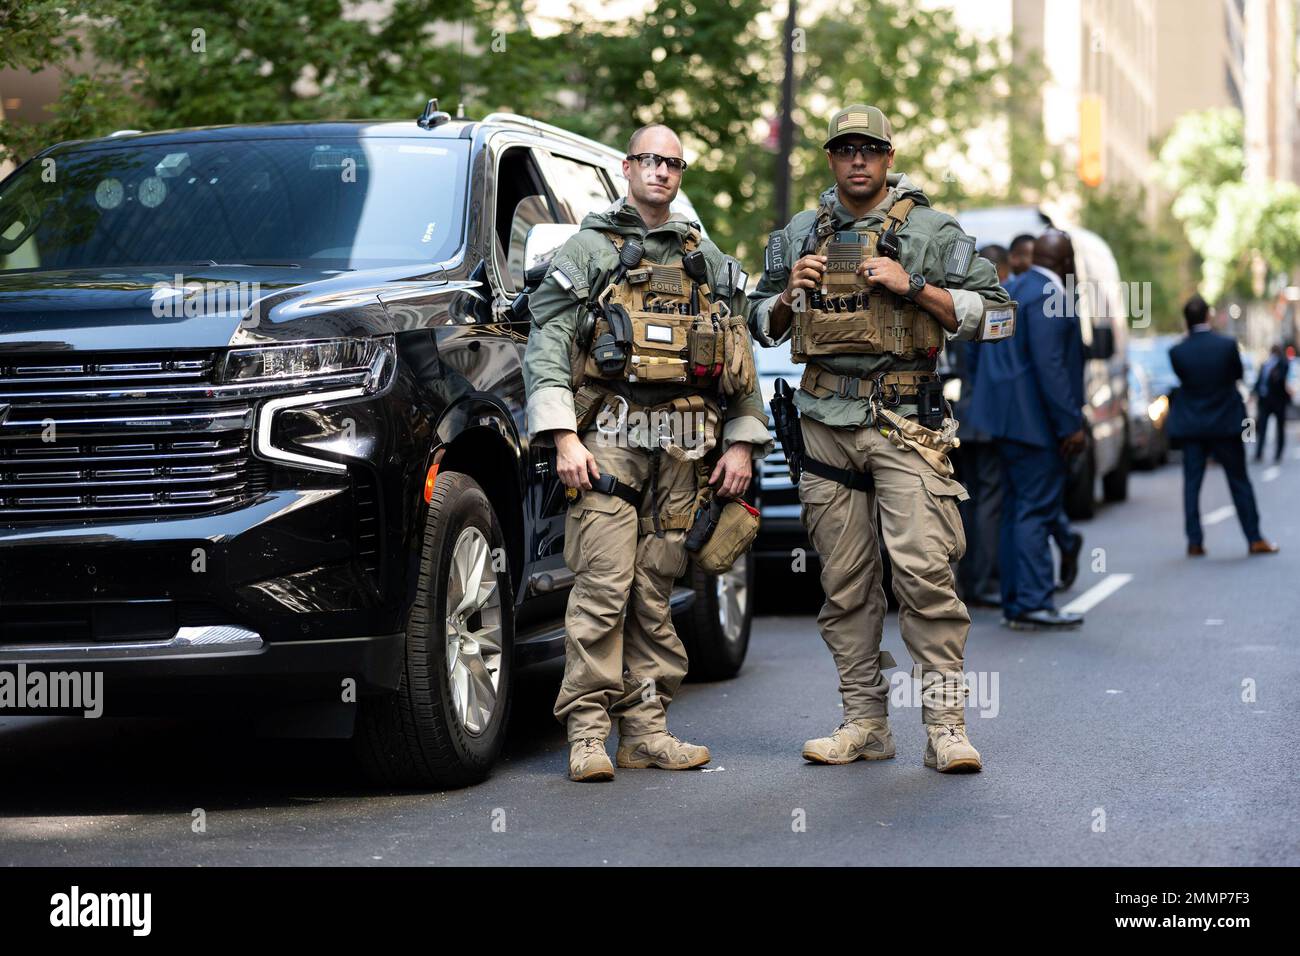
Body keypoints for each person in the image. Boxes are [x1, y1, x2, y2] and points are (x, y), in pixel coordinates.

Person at [750, 104, 1013, 773]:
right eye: (845, 149)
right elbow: (755, 321)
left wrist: (914, 285)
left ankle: (946, 728)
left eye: (870, 148)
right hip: (824, 427)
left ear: (889, 158)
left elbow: (999, 317)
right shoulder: (800, 233)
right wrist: (785, 298)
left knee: (925, 576)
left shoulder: (931, 231)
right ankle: (865, 723)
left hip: (906, 427)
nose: (858, 159)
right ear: (831, 159)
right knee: (845, 586)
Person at [524, 123, 772, 782]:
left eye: (673, 164)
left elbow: (739, 348)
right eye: (650, 160)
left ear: (680, 175)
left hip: (684, 450)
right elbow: (546, 334)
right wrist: (562, 435)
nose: (661, 172)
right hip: (609, 441)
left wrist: (744, 441)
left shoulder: (705, 257)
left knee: (655, 591)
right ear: (628, 169)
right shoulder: (591, 248)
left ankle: (647, 732)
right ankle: (586, 734)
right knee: (603, 588)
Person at [967, 228, 1086, 631]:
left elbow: (984, 351)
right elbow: (1051, 365)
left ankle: (1015, 601)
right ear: (1067, 263)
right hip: (1034, 423)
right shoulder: (1052, 296)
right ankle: (1034, 601)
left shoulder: (1012, 288)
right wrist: (1070, 424)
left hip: (1000, 420)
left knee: (1014, 511)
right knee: (1035, 509)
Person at [1166, 295, 1279, 557]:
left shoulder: (1177, 351)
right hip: (1224, 423)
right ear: (1208, 316)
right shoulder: (1227, 346)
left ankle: (1194, 542)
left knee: (1191, 484)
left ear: (1186, 320)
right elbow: (1237, 375)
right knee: (1239, 481)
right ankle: (1254, 538)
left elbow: (1185, 380)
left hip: (1192, 425)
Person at [1253, 344, 1290, 463]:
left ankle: (1278, 454)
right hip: (1264, 401)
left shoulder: (1283, 364)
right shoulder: (1265, 365)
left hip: (1278, 401)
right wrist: (1255, 392)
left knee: (1280, 428)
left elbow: (1281, 378)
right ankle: (1258, 453)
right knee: (1262, 428)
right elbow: (1259, 381)